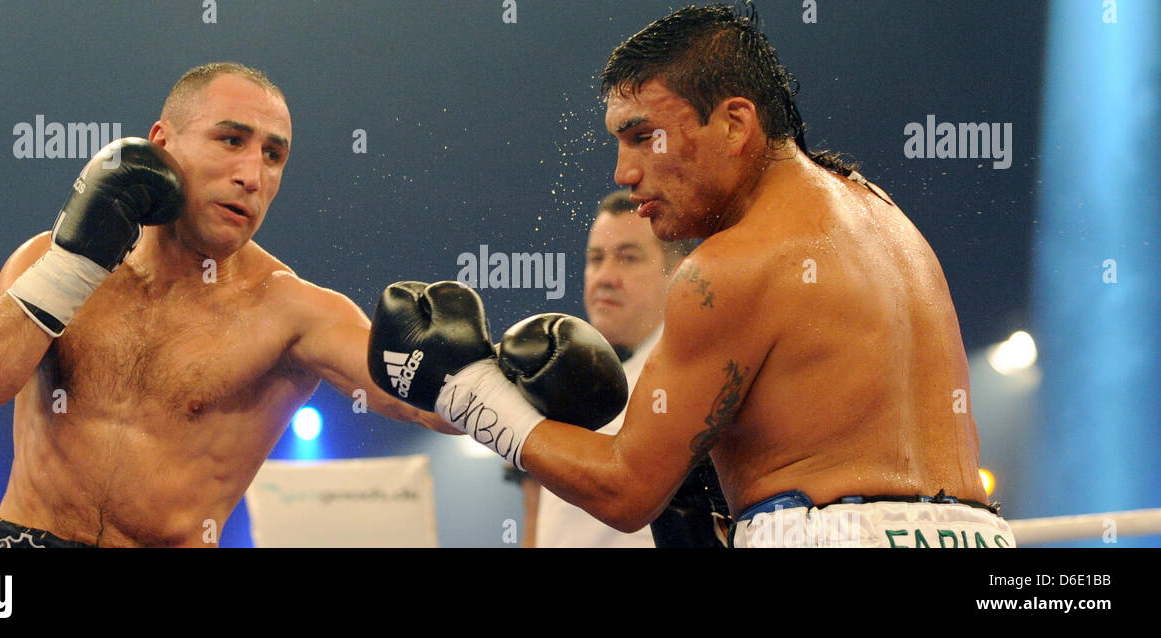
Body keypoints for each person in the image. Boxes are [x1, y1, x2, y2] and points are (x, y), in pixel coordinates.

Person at [369, 5, 1013, 548]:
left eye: (643, 136)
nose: (624, 172)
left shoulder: (730, 267)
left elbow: (626, 491)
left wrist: (468, 389)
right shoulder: (884, 214)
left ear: (734, 123)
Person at [0, 63, 456, 548]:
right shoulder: (51, 261)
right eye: (230, 140)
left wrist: (505, 373)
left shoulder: (293, 312)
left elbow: (427, 403)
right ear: (162, 144)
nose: (253, 175)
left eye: (274, 155)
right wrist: (74, 266)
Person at [513, 191, 726, 548]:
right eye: (596, 259)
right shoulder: (573, 381)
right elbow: (548, 522)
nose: (605, 276)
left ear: (678, 272)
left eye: (628, 258)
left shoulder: (696, 372)